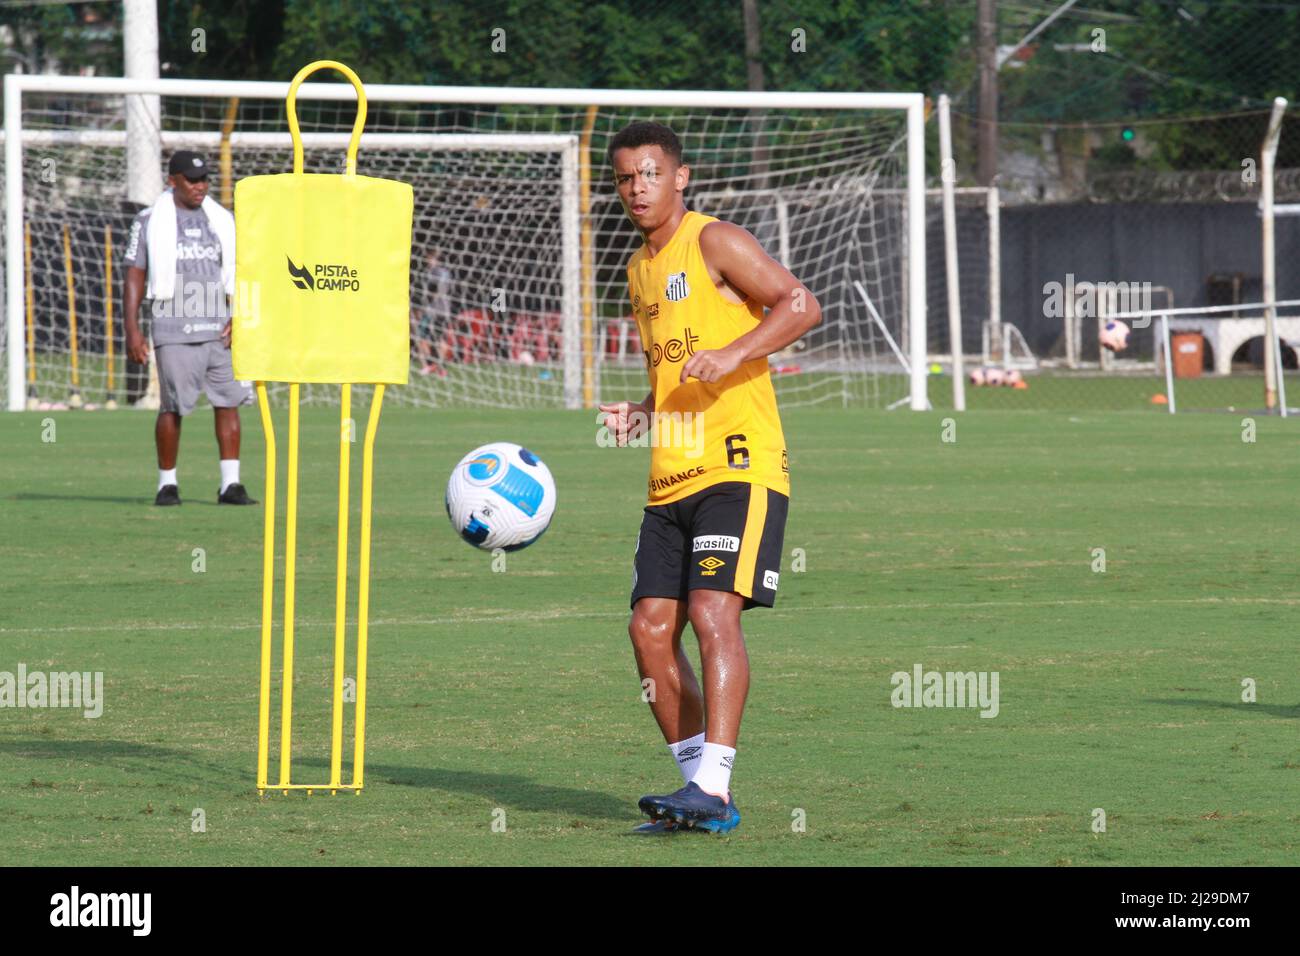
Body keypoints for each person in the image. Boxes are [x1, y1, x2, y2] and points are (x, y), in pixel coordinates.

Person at [599, 122, 821, 834]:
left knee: (711, 614)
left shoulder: (715, 241)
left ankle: (714, 787)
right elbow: (668, 367)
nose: (638, 188)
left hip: (739, 465)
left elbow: (800, 304)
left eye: (650, 173)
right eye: (626, 178)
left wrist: (736, 351)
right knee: (648, 629)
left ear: (681, 177)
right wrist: (641, 410)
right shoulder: (637, 269)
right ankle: (698, 792)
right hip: (670, 476)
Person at [122, 150, 256, 507]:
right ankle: (167, 483)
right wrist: (132, 330)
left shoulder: (222, 219)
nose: (200, 186)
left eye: (204, 179)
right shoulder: (150, 220)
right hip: (174, 326)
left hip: (220, 328)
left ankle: (231, 484)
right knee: (172, 407)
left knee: (229, 403)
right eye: (192, 180)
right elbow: (135, 272)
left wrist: (241, 316)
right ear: (173, 181)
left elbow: (243, 271)